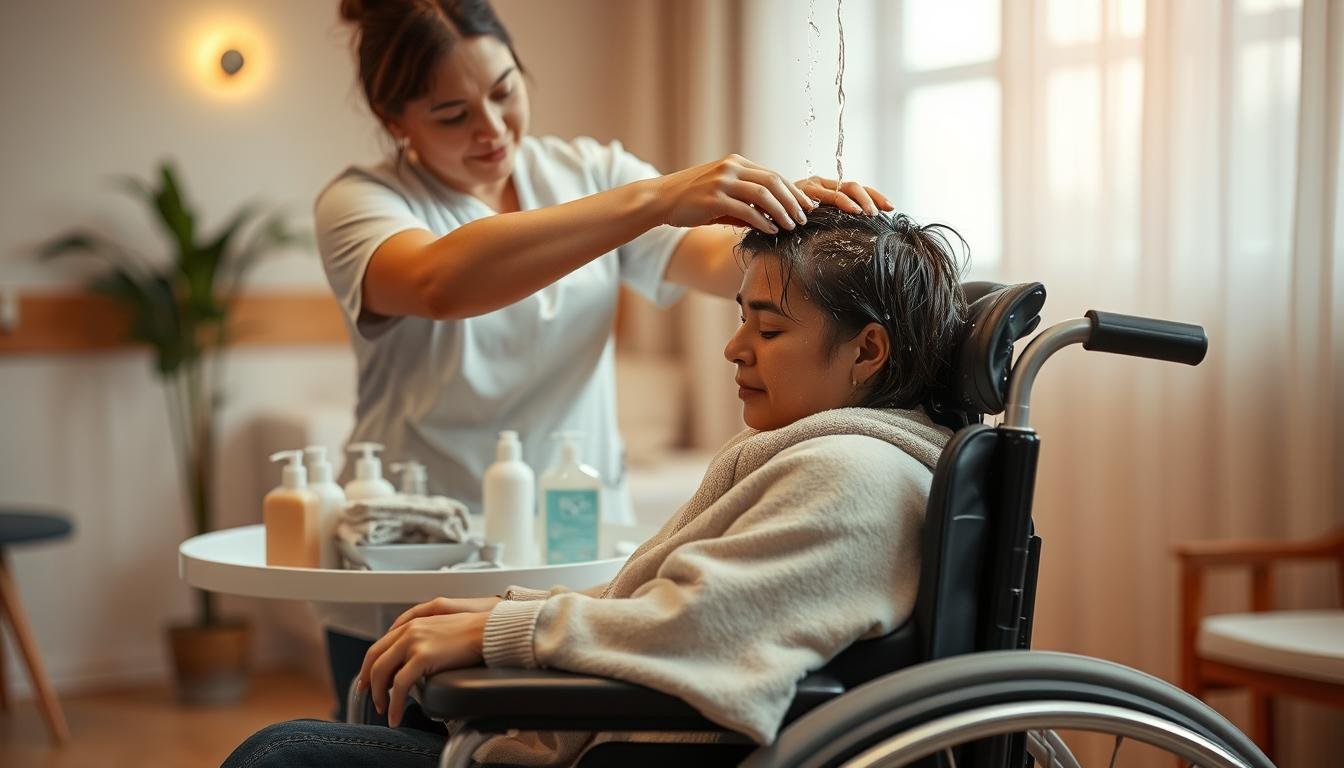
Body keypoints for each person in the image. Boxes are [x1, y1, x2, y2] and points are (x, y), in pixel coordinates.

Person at [223, 206, 970, 767]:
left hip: (614, 747)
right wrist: (516, 610)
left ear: (868, 349)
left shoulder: (854, 477)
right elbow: (680, 599)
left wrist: (503, 632)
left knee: (280, 756)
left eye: (769, 331)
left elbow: (699, 625)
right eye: (742, 319)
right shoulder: (814, 456)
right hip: (590, 729)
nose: (734, 347)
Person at [314, 0, 895, 718]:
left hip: (573, 553)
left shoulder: (587, 172)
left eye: (503, 91)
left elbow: (720, 263)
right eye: (451, 113)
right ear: (395, 117)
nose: (491, 128)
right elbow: (439, 281)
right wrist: (653, 197)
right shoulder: (360, 201)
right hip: (412, 560)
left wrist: (789, 225)